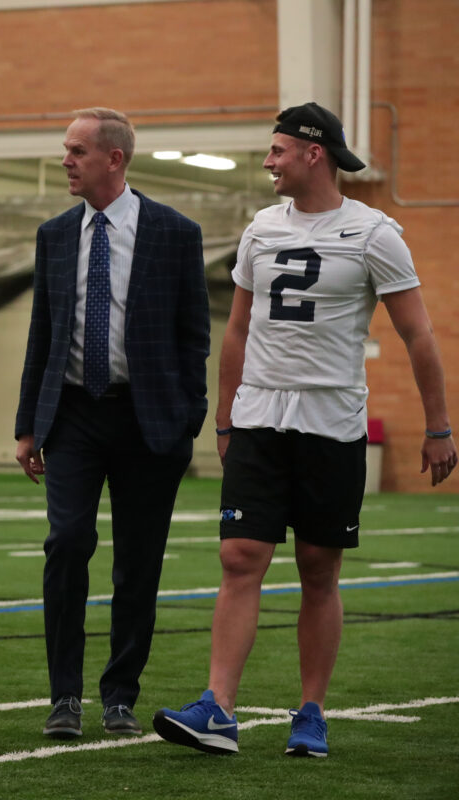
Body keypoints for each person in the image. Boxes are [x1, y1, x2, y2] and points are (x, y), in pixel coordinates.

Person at [153, 102, 456, 758]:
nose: (268, 161)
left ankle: (311, 712)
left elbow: (418, 333)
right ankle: (218, 708)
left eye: (278, 150)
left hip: (331, 424)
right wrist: (226, 413)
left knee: (319, 568)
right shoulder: (261, 229)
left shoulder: (375, 233)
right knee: (239, 556)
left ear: (313, 153)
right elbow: (236, 330)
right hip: (261, 419)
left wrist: (438, 425)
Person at [14, 107, 211, 740]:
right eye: (65, 150)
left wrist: (187, 420)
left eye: (76, 150)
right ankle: (64, 697)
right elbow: (41, 335)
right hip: (71, 414)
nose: (65, 160)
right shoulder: (54, 234)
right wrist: (27, 426)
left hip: (148, 421)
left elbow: (194, 337)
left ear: (113, 159)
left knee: (139, 562)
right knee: (66, 543)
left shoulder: (175, 232)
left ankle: (120, 695)